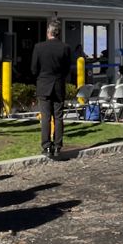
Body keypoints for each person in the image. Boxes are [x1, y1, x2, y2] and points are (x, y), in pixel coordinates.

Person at [31, 19, 72, 159]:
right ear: (59, 33)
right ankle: (58, 146)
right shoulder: (65, 48)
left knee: (46, 117)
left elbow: (33, 69)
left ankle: (46, 146)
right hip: (58, 85)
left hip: (44, 84)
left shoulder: (39, 47)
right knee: (58, 117)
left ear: (48, 32)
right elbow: (67, 69)